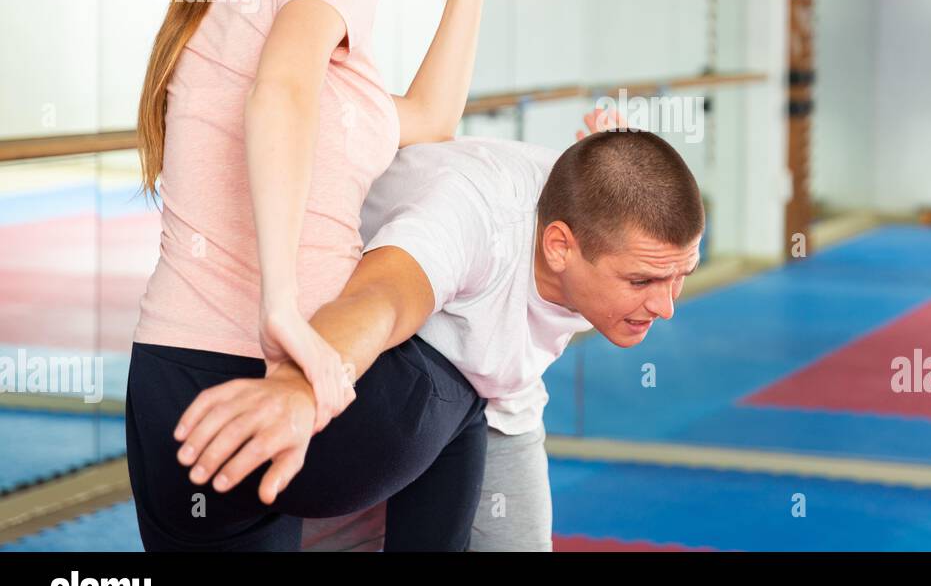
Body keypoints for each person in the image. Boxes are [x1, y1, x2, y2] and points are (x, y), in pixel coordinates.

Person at [127, 0, 494, 551]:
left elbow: (427, 116)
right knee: (475, 379)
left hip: (167, 383)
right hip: (272, 377)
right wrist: (282, 308)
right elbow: (280, 93)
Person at [169, 126, 705, 551]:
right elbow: (379, 300)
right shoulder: (471, 217)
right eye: (642, 282)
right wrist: (299, 385)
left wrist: (612, 143)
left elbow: (622, 189)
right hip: (387, 381)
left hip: (496, 393)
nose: (666, 307)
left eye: (681, 274)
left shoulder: (605, 215)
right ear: (559, 246)